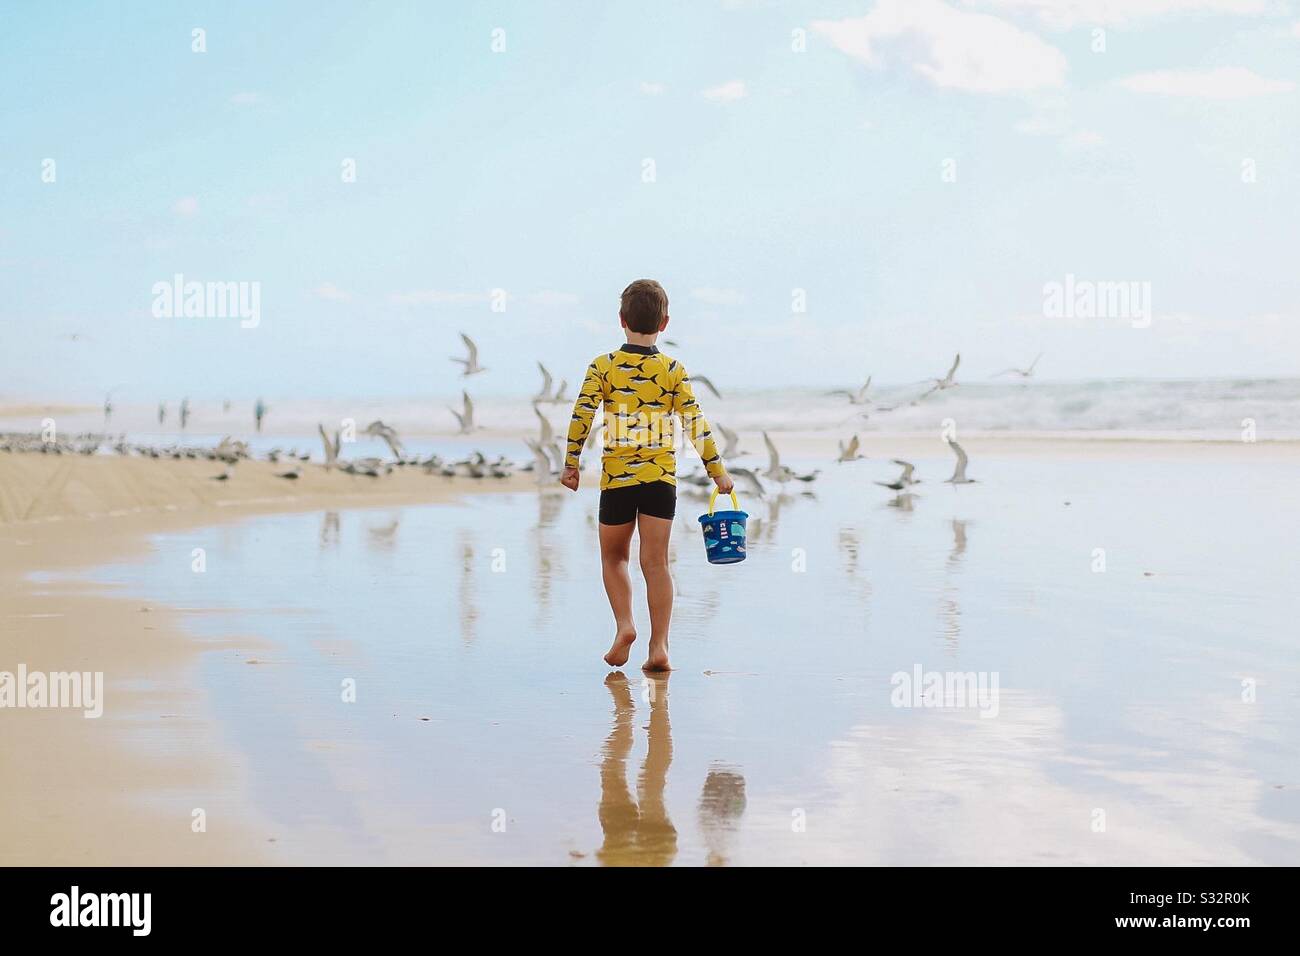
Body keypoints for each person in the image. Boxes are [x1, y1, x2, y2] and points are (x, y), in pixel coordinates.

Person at [561, 279, 733, 672]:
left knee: (613, 556)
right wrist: (717, 471)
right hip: (660, 482)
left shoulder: (602, 366)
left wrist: (571, 463)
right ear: (665, 323)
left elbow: (582, 414)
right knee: (656, 563)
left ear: (621, 320)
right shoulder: (672, 369)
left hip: (618, 481)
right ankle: (659, 648)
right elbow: (695, 422)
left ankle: (625, 626)